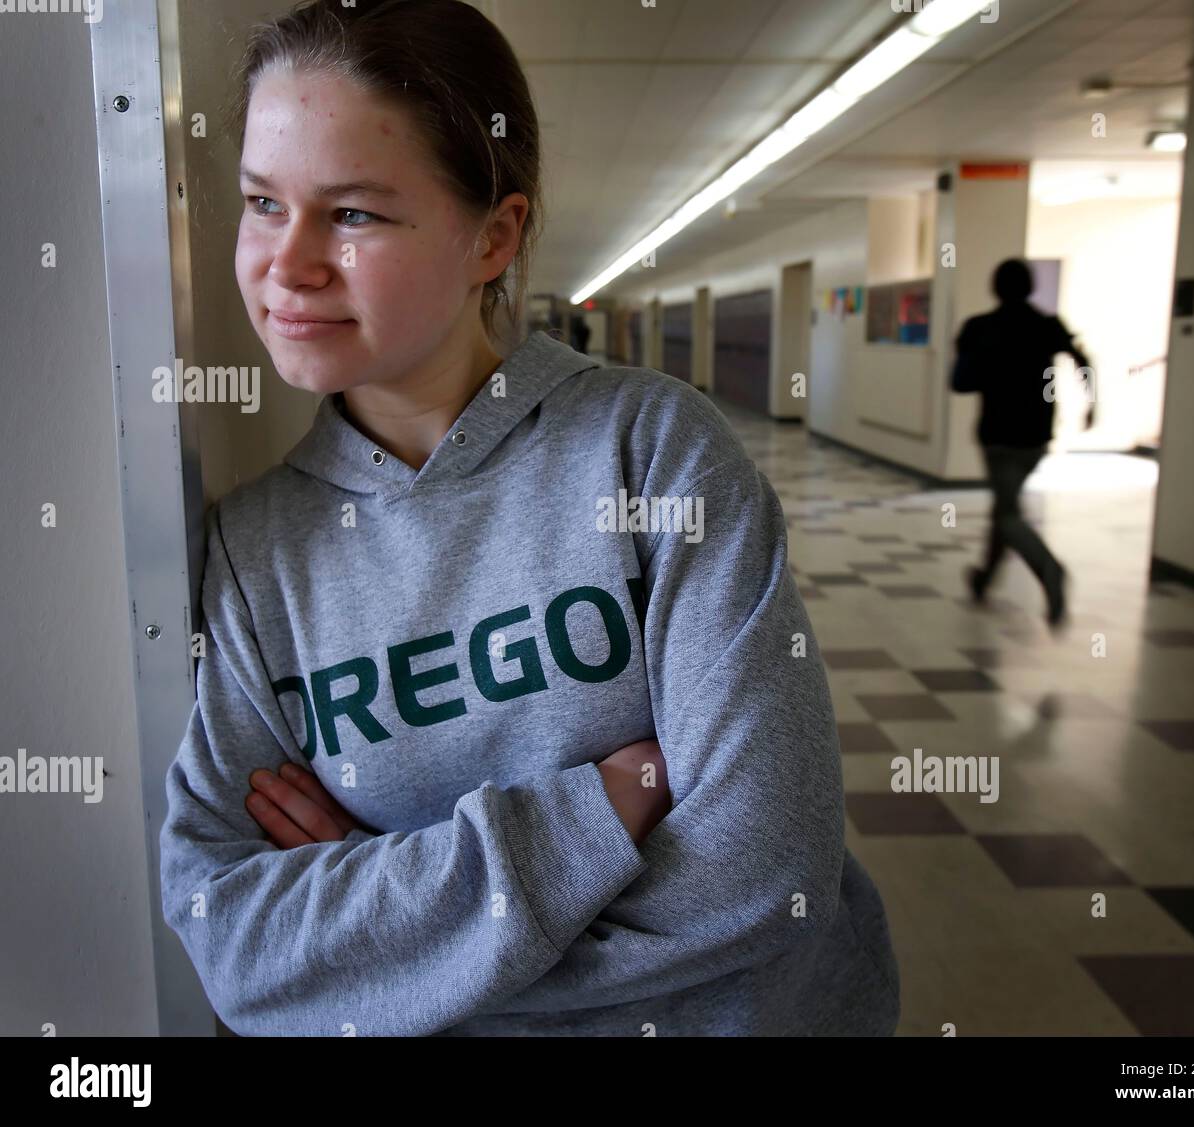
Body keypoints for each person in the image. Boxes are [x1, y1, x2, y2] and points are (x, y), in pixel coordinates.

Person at [158, 0, 899, 1037]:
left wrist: (388, 944)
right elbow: (234, 940)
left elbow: (761, 876)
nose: (288, 264)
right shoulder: (253, 552)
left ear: (492, 236)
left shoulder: (654, 453)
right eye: (262, 203)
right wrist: (590, 813)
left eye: (354, 214)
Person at [950, 258, 1094, 627]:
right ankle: (983, 579)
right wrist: (1093, 405)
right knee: (1005, 506)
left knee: (1008, 513)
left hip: (999, 435)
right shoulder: (1046, 325)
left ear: (996, 288)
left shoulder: (980, 327)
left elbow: (960, 381)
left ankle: (1050, 570)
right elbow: (1082, 361)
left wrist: (984, 364)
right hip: (1036, 435)